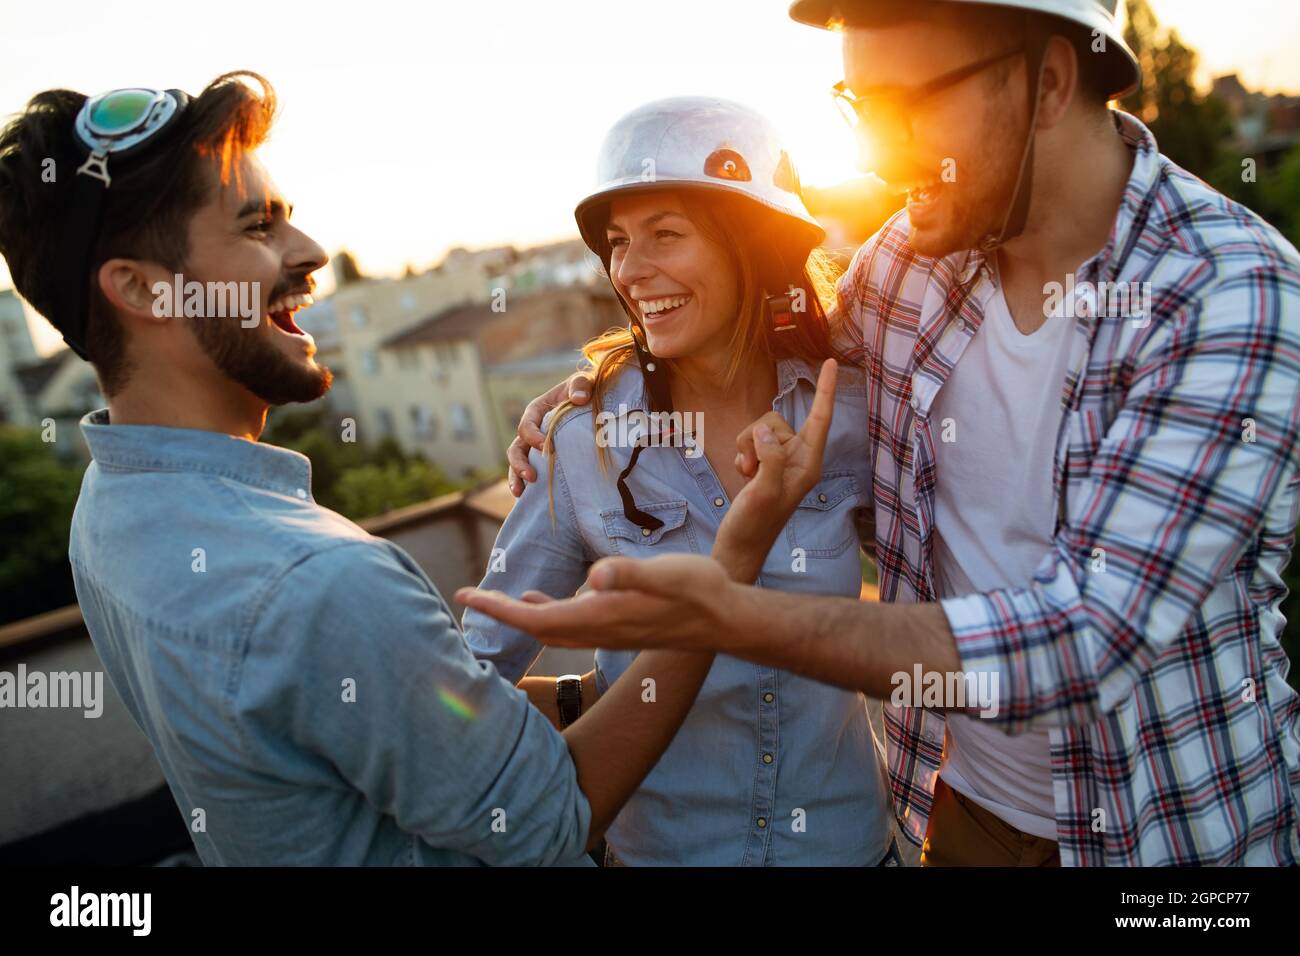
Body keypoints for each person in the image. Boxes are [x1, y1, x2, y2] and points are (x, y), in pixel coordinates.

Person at [474, 0, 1300, 866]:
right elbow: (744, 342)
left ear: (1050, 82)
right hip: (960, 815)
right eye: (858, 105)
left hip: (1175, 835)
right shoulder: (904, 269)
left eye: (908, 103)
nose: (877, 151)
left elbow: (1083, 644)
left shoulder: (1227, 293)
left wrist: (729, 611)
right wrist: (590, 394)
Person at [0, 72, 727, 866]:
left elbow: (378, 713)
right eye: (257, 228)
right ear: (142, 288)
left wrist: (589, 692)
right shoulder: (321, 581)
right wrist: (713, 604)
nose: (309, 253)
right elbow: (556, 821)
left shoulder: (107, 509)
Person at [460, 97, 898, 866]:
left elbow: (938, 601)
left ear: (752, 246)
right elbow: (471, 678)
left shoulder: (850, 414)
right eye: (620, 242)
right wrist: (574, 712)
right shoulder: (581, 441)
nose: (629, 270)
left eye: (666, 234)